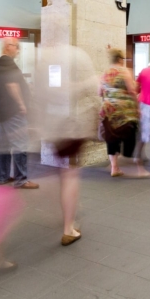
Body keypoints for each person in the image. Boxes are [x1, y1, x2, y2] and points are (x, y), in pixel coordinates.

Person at [34, 44, 100, 246]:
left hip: (55, 124)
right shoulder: (73, 56)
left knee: (62, 172)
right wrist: (88, 84)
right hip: (69, 125)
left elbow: (44, 93)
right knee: (70, 174)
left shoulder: (45, 60)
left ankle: (66, 212)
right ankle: (68, 229)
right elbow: (70, 91)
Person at [99, 48, 150, 178]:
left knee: (111, 138)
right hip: (124, 111)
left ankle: (114, 168)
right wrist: (138, 107)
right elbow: (132, 91)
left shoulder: (105, 73)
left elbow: (99, 92)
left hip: (108, 110)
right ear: (120, 59)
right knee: (130, 133)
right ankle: (130, 159)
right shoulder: (124, 71)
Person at [0, 38, 39, 189]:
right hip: (13, 111)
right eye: (16, 46)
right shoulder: (7, 61)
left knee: (5, 146)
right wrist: (21, 104)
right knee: (21, 144)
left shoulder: (2, 62)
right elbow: (12, 84)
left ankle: (3, 177)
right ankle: (21, 180)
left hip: (3, 112)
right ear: (8, 47)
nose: (18, 50)